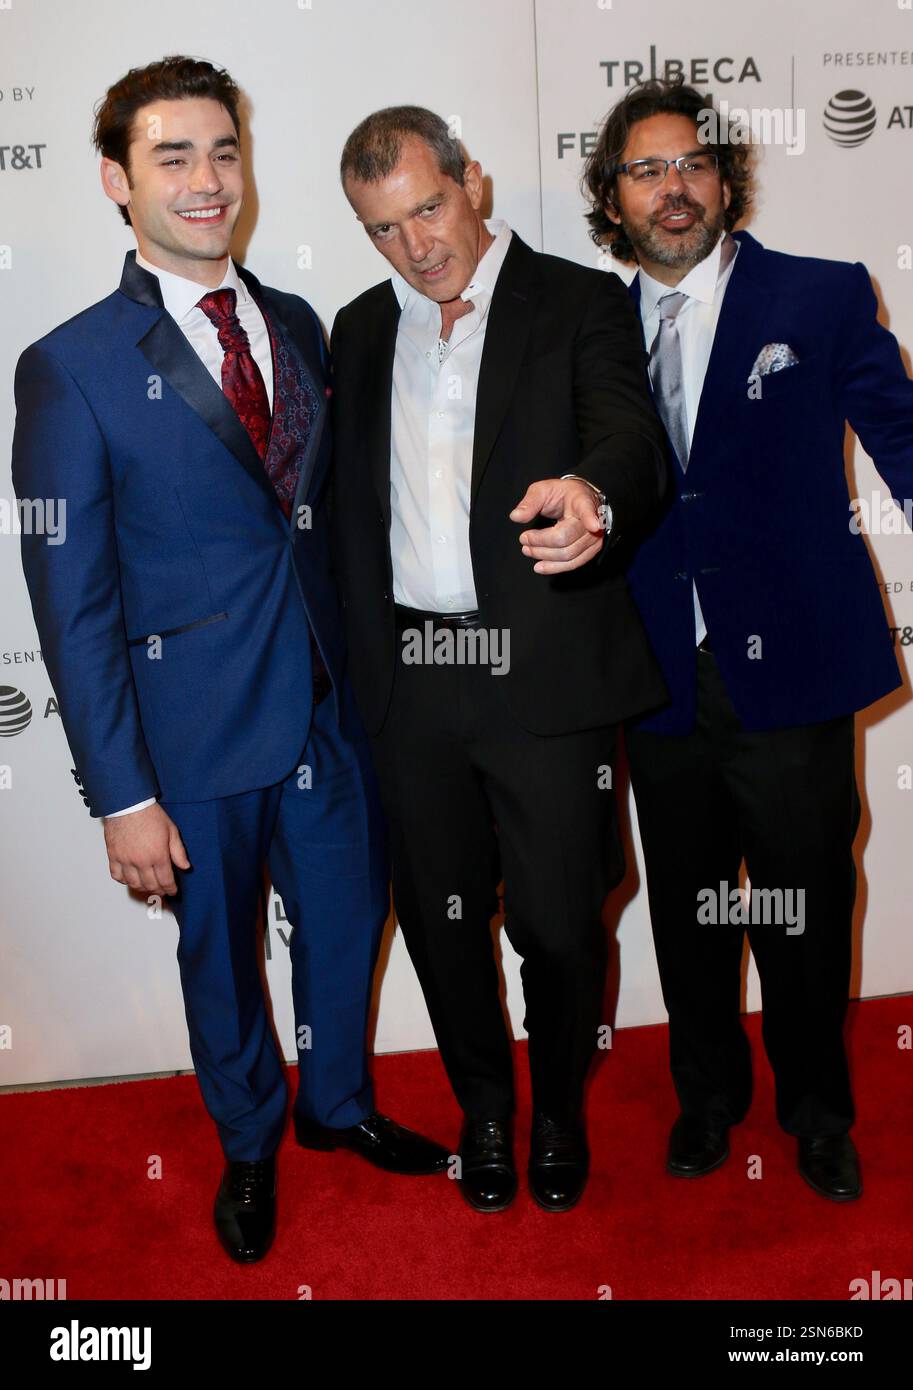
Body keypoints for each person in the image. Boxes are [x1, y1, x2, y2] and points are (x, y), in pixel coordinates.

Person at [11, 57, 448, 1266]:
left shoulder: (297, 321)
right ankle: (248, 1141)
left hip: (330, 711)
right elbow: (71, 600)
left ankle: (338, 1104)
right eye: (172, 156)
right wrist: (123, 793)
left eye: (222, 151)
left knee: (351, 915)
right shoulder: (71, 365)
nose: (207, 182)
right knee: (222, 954)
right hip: (190, 734)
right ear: (116, 177)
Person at [330, 106, 669, 1213]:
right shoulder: (358, 329)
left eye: (429, 207)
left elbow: (629, 439)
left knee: (562, 923)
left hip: (546, 671)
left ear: (471, 180)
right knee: (439, 920)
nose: (416, 245)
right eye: (385, 228)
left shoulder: (577, 302)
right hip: (412, 677)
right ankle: (485, 1108)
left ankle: (558, 1106)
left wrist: (594, 495)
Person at [582, 76, 913, 1201]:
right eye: (645, 171)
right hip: (659, 677)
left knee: (805, 905)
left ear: (723, 180)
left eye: (690, 166)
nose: (672, 190)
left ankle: (817, 1110)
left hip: (794, 669)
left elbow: (903, 439)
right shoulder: (592, 331)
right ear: (612, 199)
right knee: (688, 907)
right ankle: (706, 1097)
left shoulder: (818, 298)